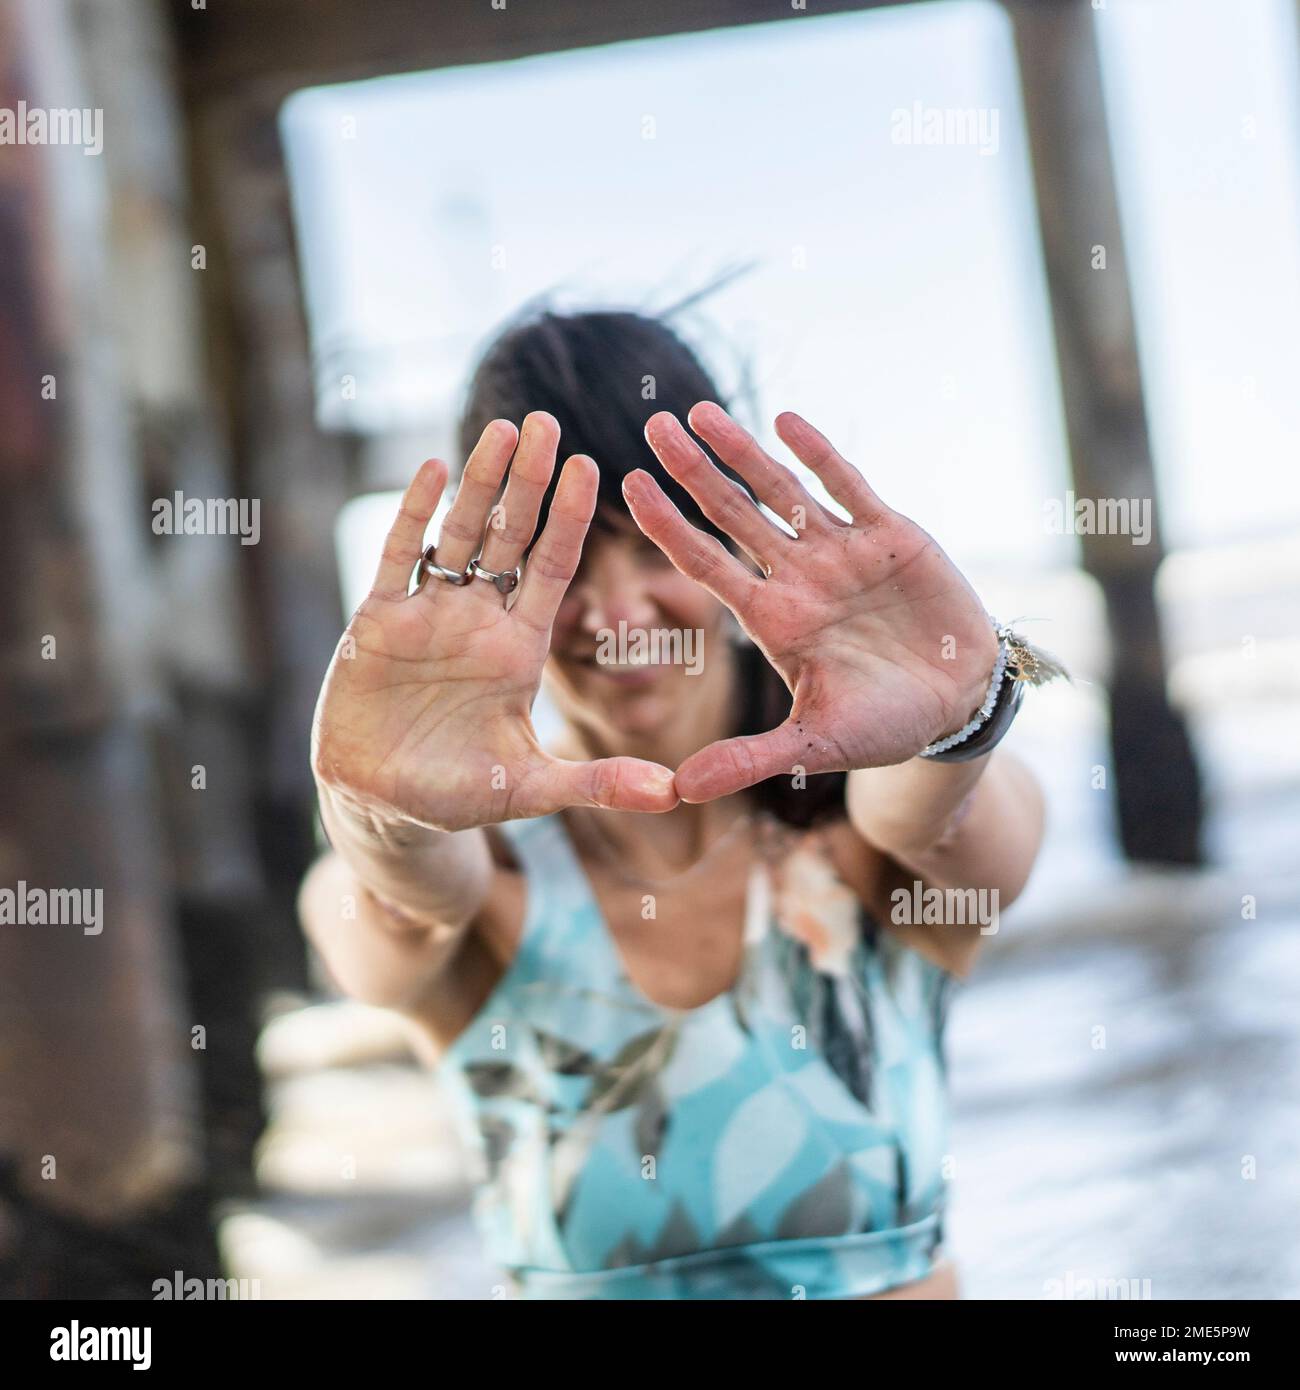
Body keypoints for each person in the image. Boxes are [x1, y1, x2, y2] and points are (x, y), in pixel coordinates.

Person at [299, 308, 1046, 1299]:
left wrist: (958, 712)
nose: (618, 614)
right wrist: (372, 807)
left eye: (656, 548)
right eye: (568, 560)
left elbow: (942, 819)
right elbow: (392, 901)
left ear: (735, 540)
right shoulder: (489, 881)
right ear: (501, 576)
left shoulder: (862, 837)